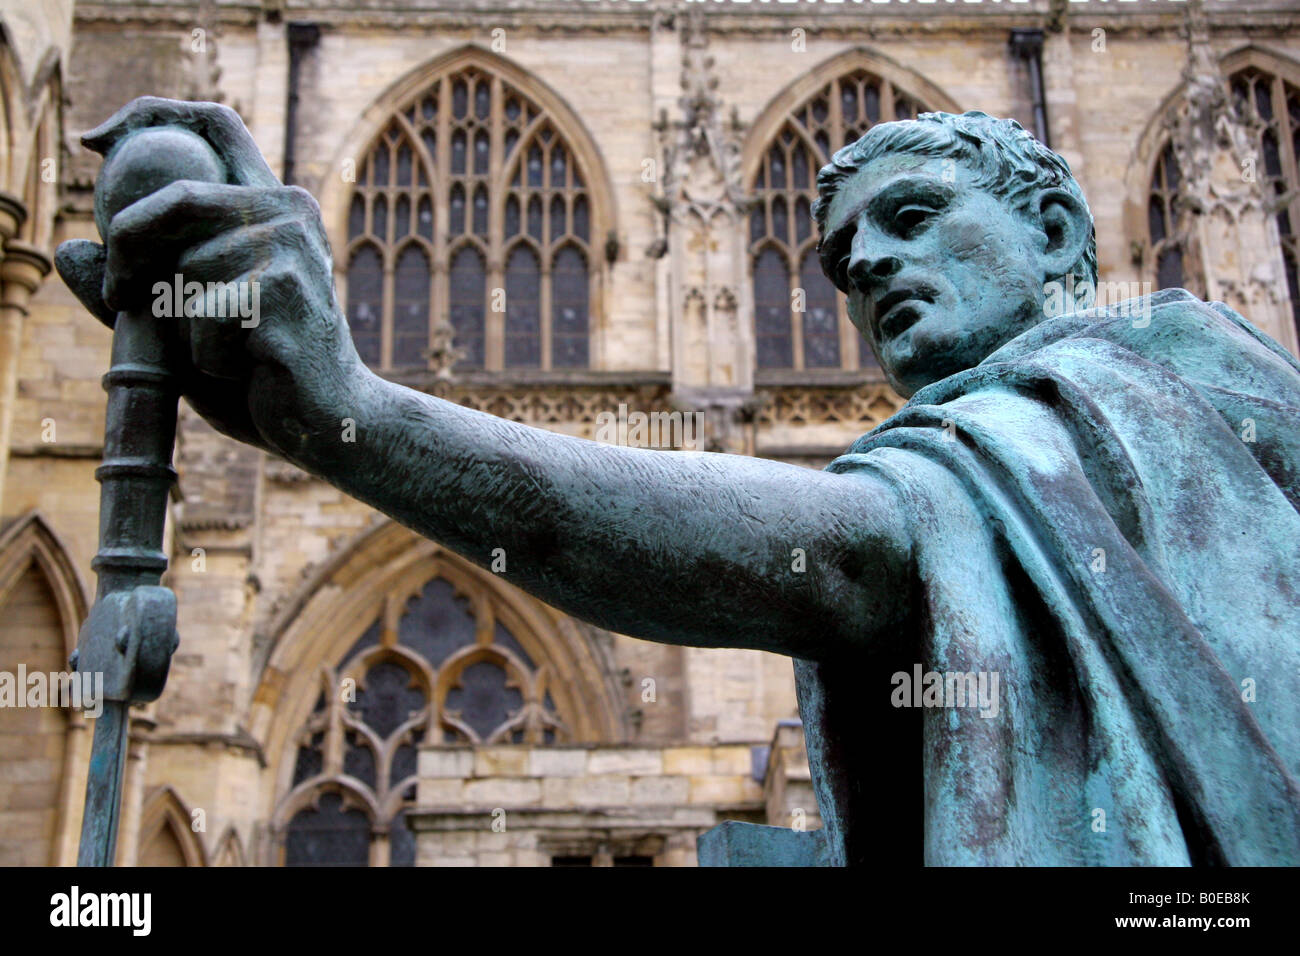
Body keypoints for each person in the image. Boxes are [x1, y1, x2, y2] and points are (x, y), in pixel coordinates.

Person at [57, 99, 1300, 865]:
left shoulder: (1136, 400)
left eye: (916, 214)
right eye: (841, 255)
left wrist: (355, 420)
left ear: (1062, 236)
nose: (866, 263)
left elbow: (845, 548)